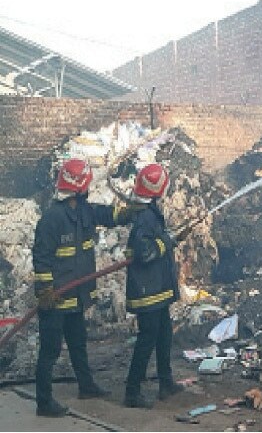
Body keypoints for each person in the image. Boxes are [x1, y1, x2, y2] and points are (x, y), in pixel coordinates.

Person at [33, 159, 137, 417]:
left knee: (78, 343)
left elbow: (105, 215)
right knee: (50, 351)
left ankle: (86, 386)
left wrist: (126, 213)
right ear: (79, 188)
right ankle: (44, 402)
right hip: (56, 300)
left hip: (76, 297)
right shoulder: (52, 219)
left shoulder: (82, 210)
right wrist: (45, 289)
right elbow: (42, 257)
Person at [123, 163, 185, 408]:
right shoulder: (145, 218)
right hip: (147, 291)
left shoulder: (148, 211)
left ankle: (165, 383)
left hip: (157, 288)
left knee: (164, 334)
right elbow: (145, 252)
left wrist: (167, 240)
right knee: (147, 338)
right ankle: (132, 392)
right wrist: (166, 242)